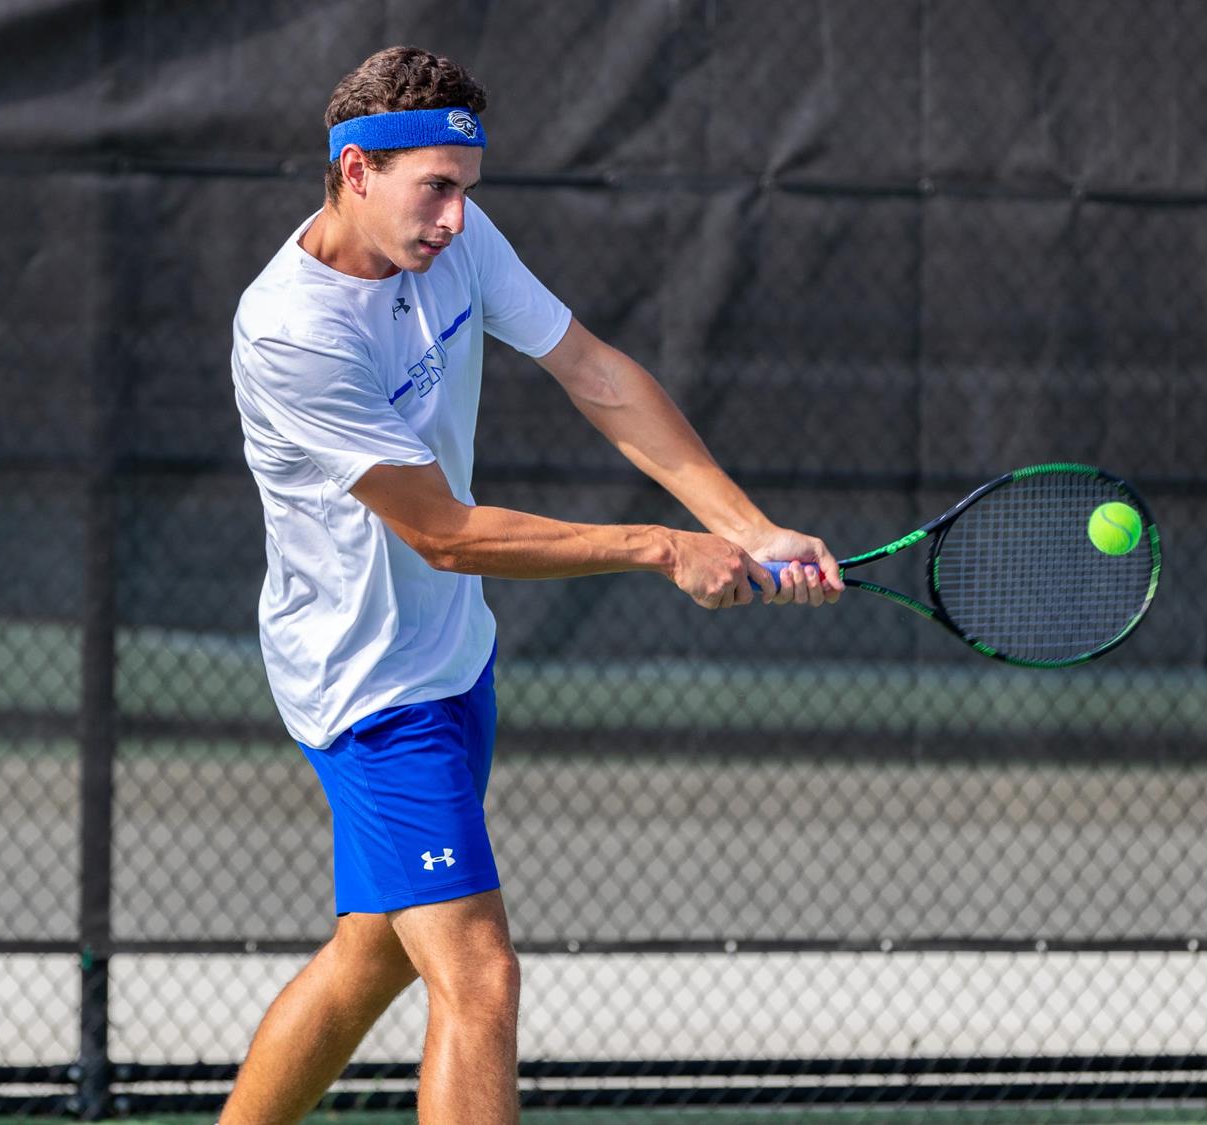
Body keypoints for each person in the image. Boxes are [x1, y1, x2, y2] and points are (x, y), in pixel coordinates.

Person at [221, 45, 843, 1124]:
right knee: (480, 977)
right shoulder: (292, 332)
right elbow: (442, 533)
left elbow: (593, 371)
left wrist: (746, 528)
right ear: (355, 172)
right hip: (368, 690)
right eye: (435, 188)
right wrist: (663, 548)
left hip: (454, 658)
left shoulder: (454, 241)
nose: (456, 217)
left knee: (374, 952)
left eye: (466, 189)